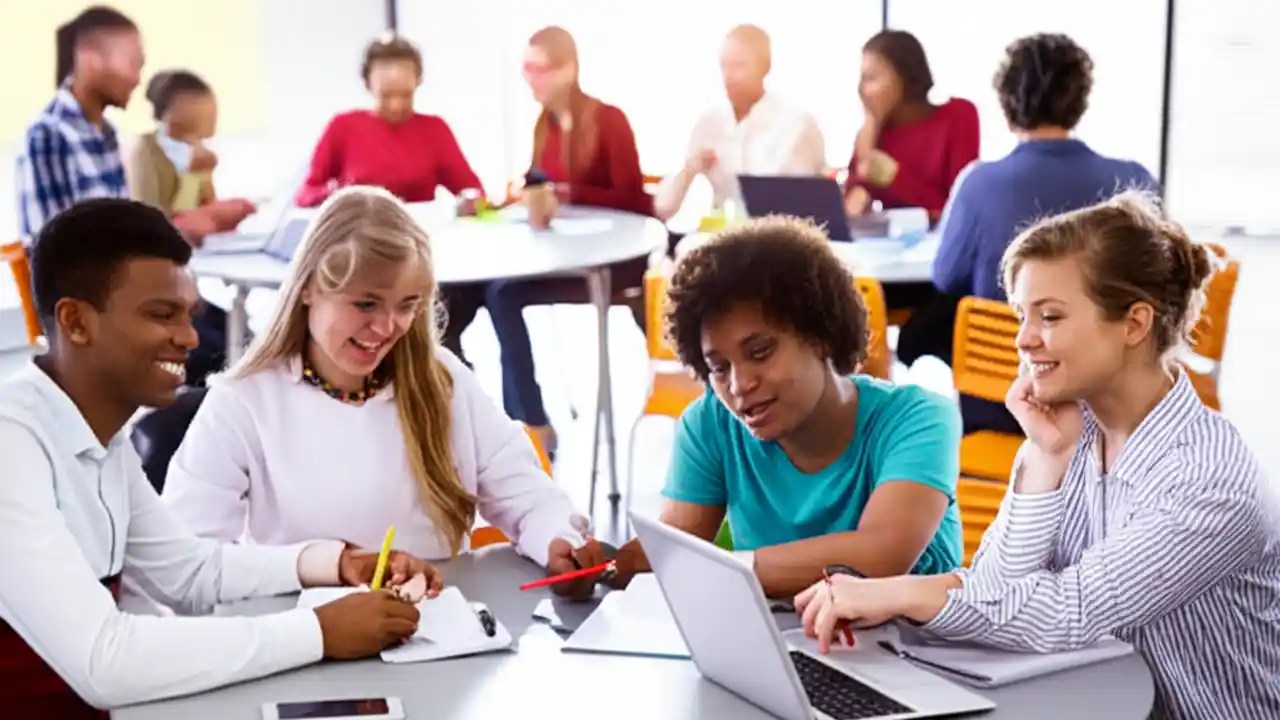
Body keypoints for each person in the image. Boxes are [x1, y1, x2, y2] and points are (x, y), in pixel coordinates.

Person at [795, 192, 1280, 720]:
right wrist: (1045, 460)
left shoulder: (1208, 479)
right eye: (1022, 315)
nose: (1023, 340)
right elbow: (999, 588)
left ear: (1135, 324)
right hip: (1098, 702)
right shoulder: (1072, 429)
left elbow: (1070, 611)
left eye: (1048, 317)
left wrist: (901, 594)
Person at [0, 198, 442, 717]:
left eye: (189, 316)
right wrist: (320, 632)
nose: (189, 338)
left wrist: (334, 563)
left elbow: (187, 574)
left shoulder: (101, 439)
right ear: (75, 321)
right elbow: (104, 660)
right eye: (161, 315)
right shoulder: (12, 443)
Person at [162, 186, 597, 596]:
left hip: (441, 639)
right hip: (304, 644)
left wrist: (557, 539)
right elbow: (186, 566)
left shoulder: (442, 380)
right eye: (365, 304)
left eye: (407, 305)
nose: (388, 328)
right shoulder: (244, 401)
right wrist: (325, 564)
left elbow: (529, 497)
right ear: (309, 287)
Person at [570, 216, 964, 599]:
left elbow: (880, 556)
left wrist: (722, 568)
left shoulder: (918, 417)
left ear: (820, 335)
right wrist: (594, 567)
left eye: (760, 352)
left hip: (916, 651)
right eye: (719, 368)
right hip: (784, 648)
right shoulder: (712, 422)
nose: (740, 386)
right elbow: (674, 553)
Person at [920, 34, 1157, 435]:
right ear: (1079, 99)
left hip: (1005, 406)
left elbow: (945, 277)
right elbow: (1159, 286)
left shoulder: (979, 184)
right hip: (1113, 413)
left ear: (1007, 102)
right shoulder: (1133, 182)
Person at [442, 26, 652, 455]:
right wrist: (509, 201)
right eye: (527, 69)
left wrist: (567, 194)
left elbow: (634, 199)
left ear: (569, 69)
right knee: (456, 296)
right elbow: (539, 181)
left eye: (541, 69)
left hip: (612, 263)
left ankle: (531, 426)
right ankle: (464, 412)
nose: (532, 79)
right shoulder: (545, 124)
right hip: (562, 256)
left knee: (502, 294)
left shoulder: (608, 120)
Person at [19, 7, 234, 388]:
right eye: (133, 63)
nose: (138, 78)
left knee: (239, 335)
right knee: (225, 351)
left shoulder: (105, 135)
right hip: (99, 307)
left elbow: (124, 235)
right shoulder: (48, 136)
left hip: (129, 294)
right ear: (91, 59)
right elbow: (55, 257)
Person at [652, 24, 826, 221]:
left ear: (765, 67)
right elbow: (663, 209)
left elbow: (812, 205)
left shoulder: (798, 124)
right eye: (723, 65)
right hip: (723, 237)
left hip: (778, 239)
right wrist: (689, 170)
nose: (728, 76)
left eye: (738, 66)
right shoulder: (710, 121)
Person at [294, 34, 485, 210]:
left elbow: (472, 191)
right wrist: (338, 194)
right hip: (359, 237)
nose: (396, 106)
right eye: (385, 96)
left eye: (406, 95)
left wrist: (470, 203)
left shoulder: (434, 130)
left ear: (418, 82)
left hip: (415, 236)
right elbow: (305, 195)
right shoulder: (343, 127)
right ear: (368, 85)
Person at [842, 30, 978, 223]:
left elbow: (957, 208)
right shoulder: (873, 132)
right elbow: (851, 209)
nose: (861, 89)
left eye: (871, 78)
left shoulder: (958, 116)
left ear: (905, 78)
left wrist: (894, 176)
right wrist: (871, 125)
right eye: (861, 79)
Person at [125, 69, 257, 238]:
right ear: (169, 121)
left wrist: (203, 175)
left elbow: (206, 207)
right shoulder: (145, 151)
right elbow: (154, 216)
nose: (199, 140)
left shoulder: (199, 154)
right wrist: (191, 176)